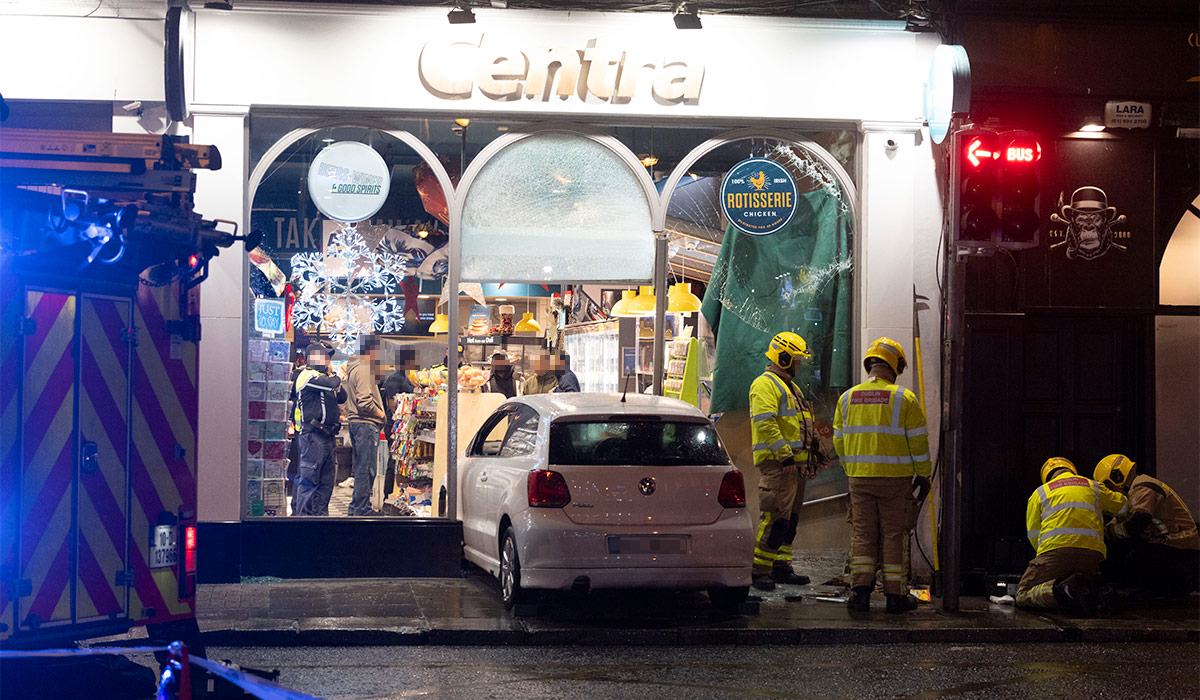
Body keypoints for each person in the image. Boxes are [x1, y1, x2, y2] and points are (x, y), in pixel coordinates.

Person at [833, 337, 930, 613]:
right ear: (895, 365)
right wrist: (923, 475)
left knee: (862, 535)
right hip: (896, 481)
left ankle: (860, 594)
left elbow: (839, 442)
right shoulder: (905, 399)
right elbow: (919, 443)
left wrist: (853, 469)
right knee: (893, 536)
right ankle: (894, 596)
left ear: (870, 364)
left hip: (859, 479)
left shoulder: (847, 398)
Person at [1016, 457, 1127, 614]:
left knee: (1022, 594)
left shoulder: (1039, 493)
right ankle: (1099, 588)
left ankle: (1063, 590)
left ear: (1046, 476)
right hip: (1092, 556)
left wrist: (1045, 558)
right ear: (1072, 470)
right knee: (1080, 585)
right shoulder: (1093, 486)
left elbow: (1034, 534)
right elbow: (1123, 507)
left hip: (1055, 553)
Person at [749, 331, 816, 591]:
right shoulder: (765, 384)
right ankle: (759, 571)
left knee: (789, 522)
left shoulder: (790, 386)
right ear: (784, 357)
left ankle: (781, 567)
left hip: (793, 467)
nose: (799, 364)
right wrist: (784, 455)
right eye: (797, 359)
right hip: (779, 467)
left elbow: (803, 425)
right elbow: (766, 423)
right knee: (775, 520)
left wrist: (812, 457)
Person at [1094, 454, 1199, 600]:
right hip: (1165, 540)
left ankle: (1158, 591)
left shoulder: (1144, 487)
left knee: (1138, 559)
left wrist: (1107, 533)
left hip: (1178, 543)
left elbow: (1137, 522)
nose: (1108, 489)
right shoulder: (1133, 492)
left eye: (1107, 484)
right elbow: (1120, 521)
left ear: (1116, 476)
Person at [293, 343, 346, 516]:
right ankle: (303, 525)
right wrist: (334, 376)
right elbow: (333, 384)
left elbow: (342, 396)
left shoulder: (323, 378)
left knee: (326, 483)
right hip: (312, 436)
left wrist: (333, 379)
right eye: (325, 356)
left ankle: (321, 522)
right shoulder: (307, 375)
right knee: (309, 482)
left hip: (328, 436)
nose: (328, 360)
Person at [344, 337, 387, 516]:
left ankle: (356, 506)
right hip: (365, 423)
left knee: (363, 466)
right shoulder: (363, 368)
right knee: (367, 467)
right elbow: (365, 401)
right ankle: (362, 508)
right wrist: (382, 415)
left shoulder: (355, 367)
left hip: (358, 423)